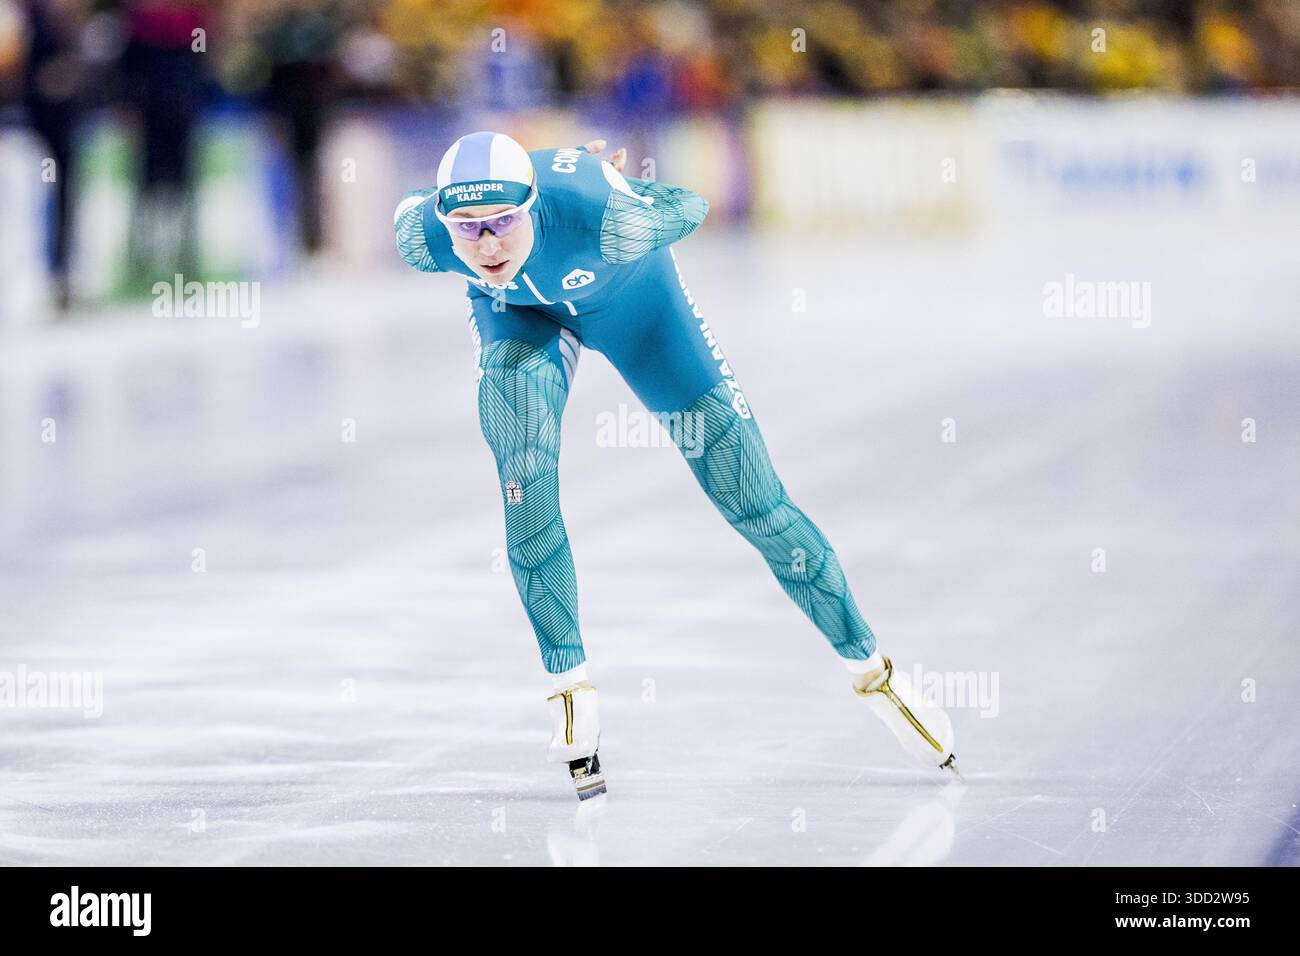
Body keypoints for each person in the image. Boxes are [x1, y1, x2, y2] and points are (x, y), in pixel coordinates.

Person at [394, 131, 958, 799]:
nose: (488, 245)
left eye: (505, 222)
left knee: (752, 500)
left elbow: (691, 205)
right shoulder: (422, 237)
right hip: (522, 320)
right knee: (523, 465)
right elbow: (419, 213)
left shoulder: (605, 216)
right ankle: (568, 689)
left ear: (534, 203)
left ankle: (875, 673)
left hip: (642, 311)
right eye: (469, 228)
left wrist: (629, 194)